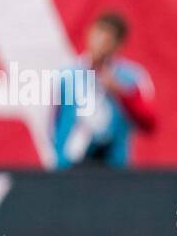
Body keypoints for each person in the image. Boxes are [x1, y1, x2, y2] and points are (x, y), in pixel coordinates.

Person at [51, 11, 156, 168]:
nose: (101, 44)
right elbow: (50, 119)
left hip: (113, 165)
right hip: (71, 164)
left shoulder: (132, 77)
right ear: (89, 34)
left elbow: (149, 122)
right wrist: (59, 154)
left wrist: (122, 92)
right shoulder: (66, 75)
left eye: (108, 40)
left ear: (119, 44)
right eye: (98, 35)